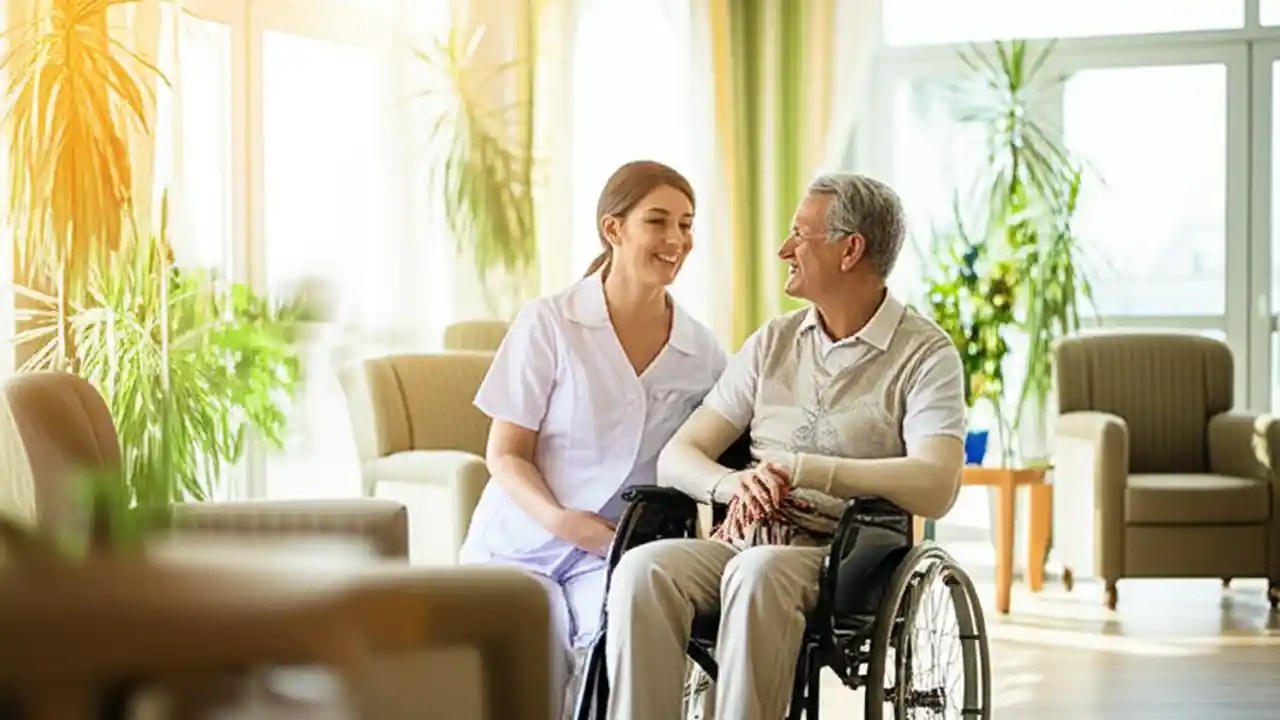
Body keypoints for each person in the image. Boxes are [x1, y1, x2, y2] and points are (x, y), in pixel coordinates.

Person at [604, 173, 968, 719]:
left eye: (800, 234)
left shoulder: (925, 356)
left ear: (851, 250)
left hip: (844, 559)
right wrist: (734, 483)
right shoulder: (772, 342)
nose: (784, 249)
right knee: (644, 570)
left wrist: (810, 470)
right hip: (744, 542)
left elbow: (937, 484)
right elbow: (679, 455)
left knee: (760, 573)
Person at [458, 160, 728, 717]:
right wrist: (562, 522)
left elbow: (710, 453)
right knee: (530, 662)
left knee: (614, 653)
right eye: (658, 221)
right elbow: (505, 453)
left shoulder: (701, 353)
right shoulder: (550, 322)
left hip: (611, 552)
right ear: (614, 228)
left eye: (686, 223)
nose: (676, 239)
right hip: (522, 541)